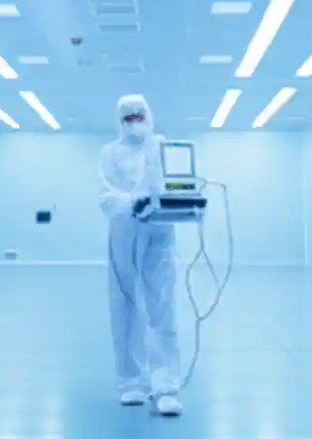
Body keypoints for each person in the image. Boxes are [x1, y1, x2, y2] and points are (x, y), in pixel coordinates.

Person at [98, 94, 183, 417]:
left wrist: (160, 198)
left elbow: (171, 185)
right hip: (123, 235)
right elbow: (104, 194)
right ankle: (131, 383)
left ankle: (166, 386)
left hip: (158, 235)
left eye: (139, 114)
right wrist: (130, 202)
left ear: (150, 114)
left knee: (163, 308)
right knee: (125, 307)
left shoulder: (161, 146)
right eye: (127, 116)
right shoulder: (109, 152)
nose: (135, 121)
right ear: (119, 120)